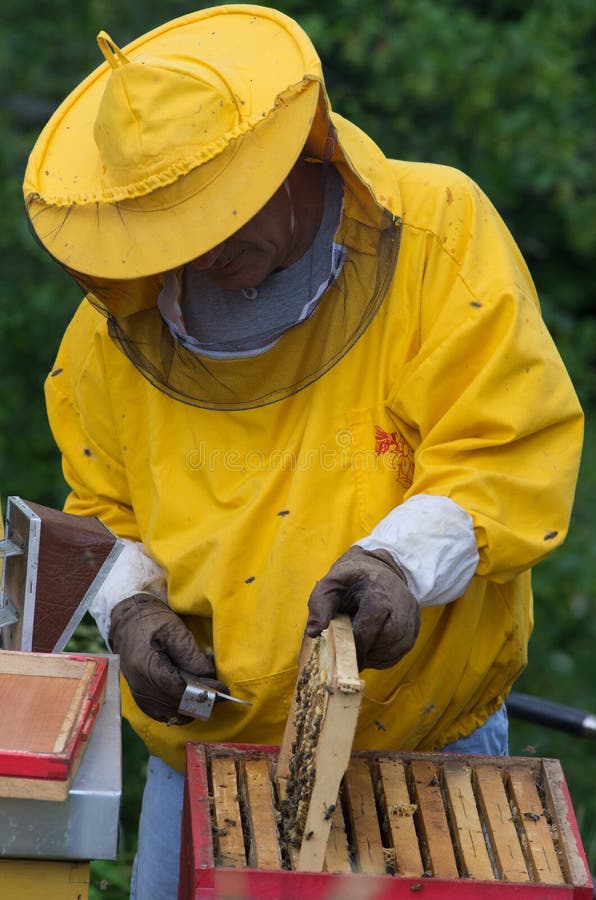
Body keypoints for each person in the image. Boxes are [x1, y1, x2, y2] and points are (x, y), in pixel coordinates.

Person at [24, 5, 583, 897]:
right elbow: (101, 507)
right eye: (173, 235)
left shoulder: (437, 232)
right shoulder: (109, 335)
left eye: (220, 217)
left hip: (422, 745)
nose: (204, 254)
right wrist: (129, 608)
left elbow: (507, 445)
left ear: (286, 159)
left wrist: (400, 563)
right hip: (202, 762)